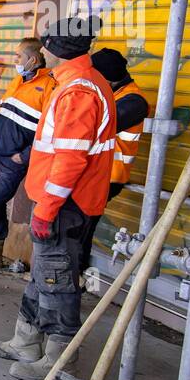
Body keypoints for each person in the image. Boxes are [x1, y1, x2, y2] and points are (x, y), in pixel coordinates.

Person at [0, 16, 116, 380]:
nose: (41, 50)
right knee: (43, 275)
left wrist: (45, 208)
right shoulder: (74, 83)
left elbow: (70, 159)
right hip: (61, 203)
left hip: (64, 206)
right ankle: (26, 342)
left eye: (47, 44)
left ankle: (60, 362)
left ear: (59, 49)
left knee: (57, 280)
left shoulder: (79, 91)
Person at [0, 39, 55, 269]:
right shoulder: (17, 81)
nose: (15, 61)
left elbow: (49, 130)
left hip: (13, 159)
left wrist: (24, 156)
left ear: (32, 59)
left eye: (18, 57)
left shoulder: (49, 86)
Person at [78, 48, 150, 273]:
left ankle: (74, 278)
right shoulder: (112, 94)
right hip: (95, 173)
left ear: (106, 77)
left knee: (80, 229)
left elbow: (94, 126)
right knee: (75, 228)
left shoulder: (133, 101)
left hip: (109, 176)